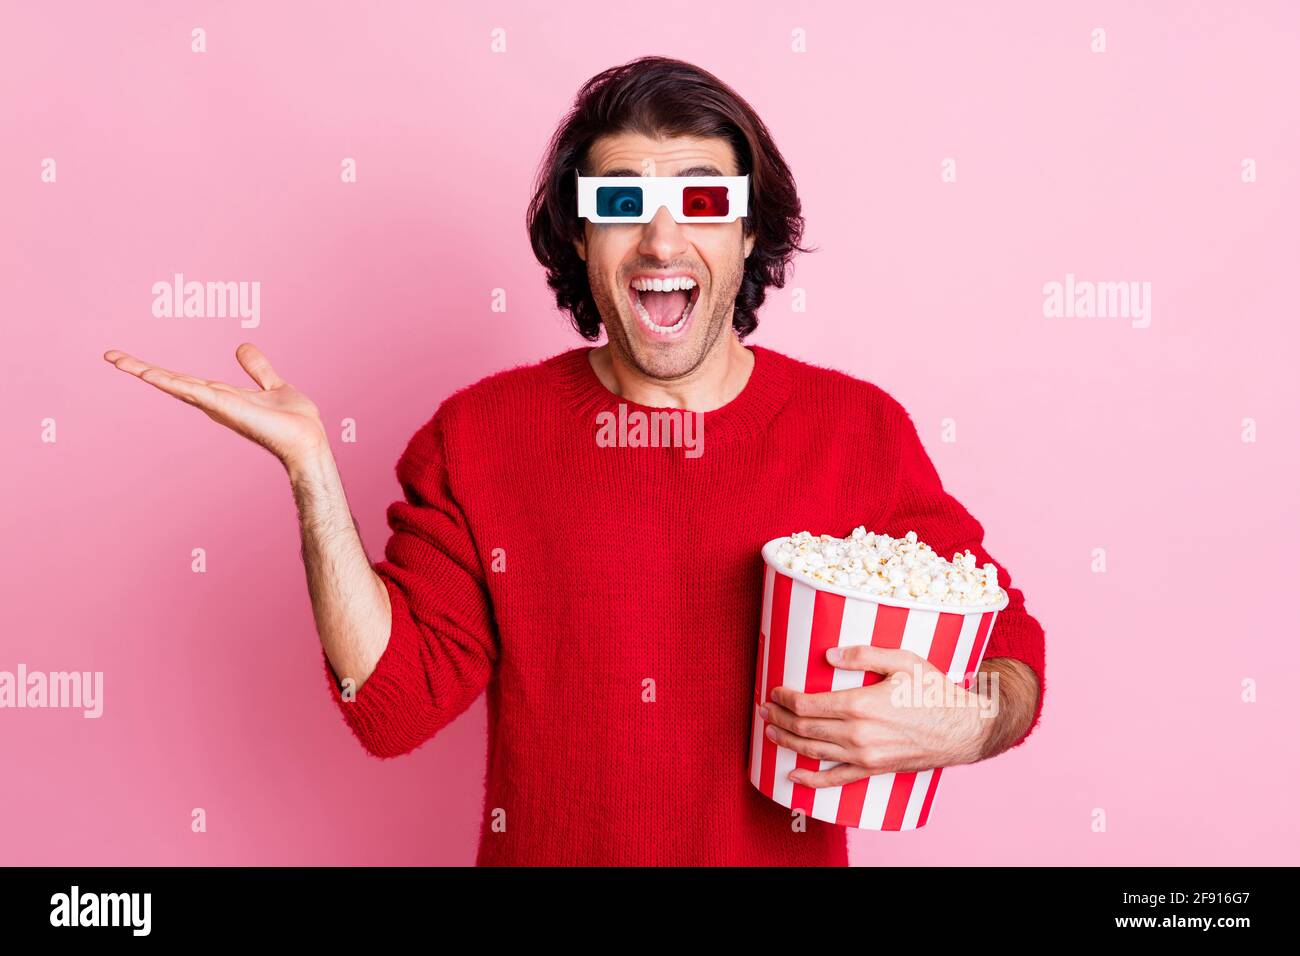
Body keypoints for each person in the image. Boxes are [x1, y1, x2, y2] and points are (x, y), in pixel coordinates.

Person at [103, 56, 1045, 866]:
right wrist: (312, 475)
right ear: (580, 236)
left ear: (749, 232)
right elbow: (392, 709)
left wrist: (966, 720)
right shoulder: (479, 437)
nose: (663, 240)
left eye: (704, 201)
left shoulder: (856, 431)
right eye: (623, 202)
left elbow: (1011, 658)